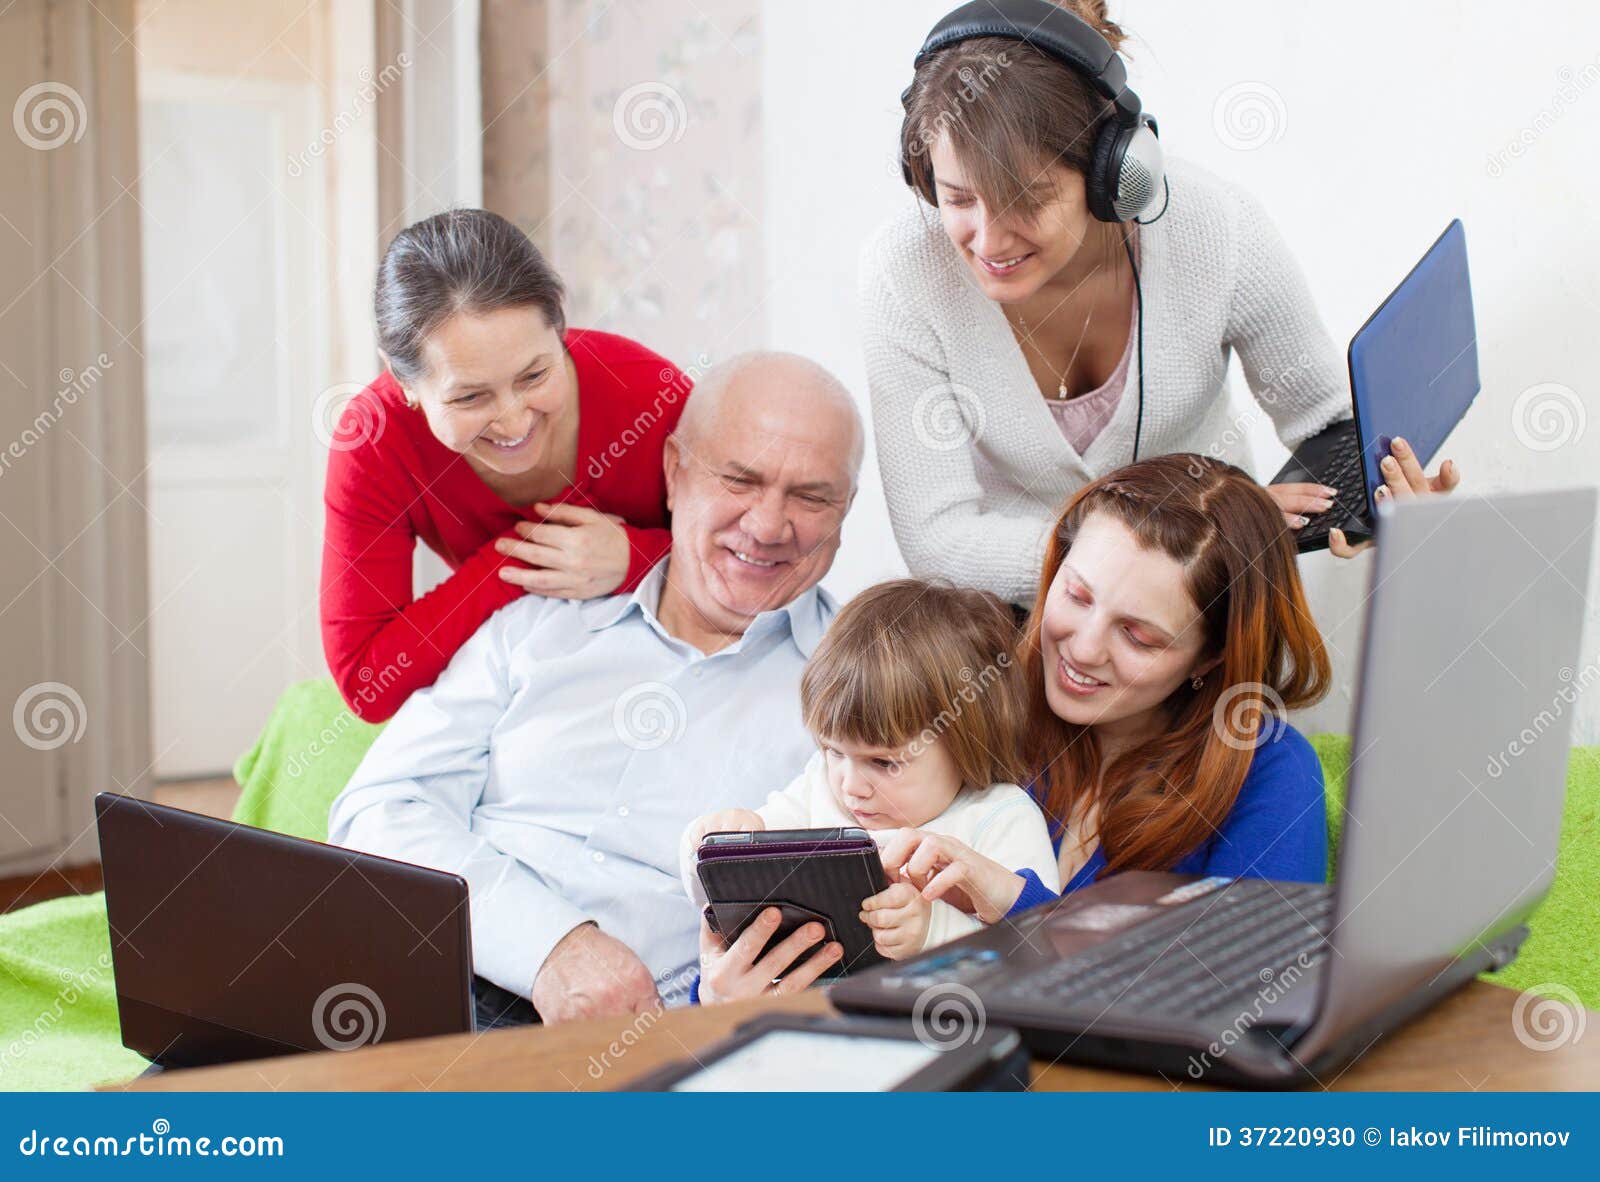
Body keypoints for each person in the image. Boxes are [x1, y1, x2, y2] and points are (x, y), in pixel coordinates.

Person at [326, 352, 863, 1027]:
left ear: (846, 510)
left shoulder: (867, 694)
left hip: (614, 1050)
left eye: (811, 496)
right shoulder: (540, 621)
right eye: (739, 479)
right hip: (418, 966)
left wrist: (723, 1007)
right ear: (674, 471)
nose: (766, 526)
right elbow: (378, 808)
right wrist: (550, 947)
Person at [861, 0, 1458, 604]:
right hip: (1020, 615)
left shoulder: (1215, 228)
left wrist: (1366, 499)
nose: (987, 241)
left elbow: (1328, 421)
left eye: (1026, 200)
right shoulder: (905, 271)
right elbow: (938, 539)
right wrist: (1175, 545)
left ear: (1112, 172)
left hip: (1206, 599)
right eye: (959, 199)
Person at [877, 455, 1340, 924]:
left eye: (1138, 636)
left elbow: (1240, 983)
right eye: (1077, 596)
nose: (1084, 648)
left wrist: (1014, 902)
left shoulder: (1269, 770)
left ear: (1212, 655)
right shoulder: (974, 702)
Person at [320, 209, 693, 722]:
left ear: (559, 326)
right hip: (518, 679)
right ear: (404, 382)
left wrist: (639, 558)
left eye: (536, 374)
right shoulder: (375, 439)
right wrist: (519, 564)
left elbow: (760, 567)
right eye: (470, 397)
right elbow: (368, 682)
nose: (514, 420)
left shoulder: (651, 394)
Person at [679, 580, 1058, 992]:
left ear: (968, 743)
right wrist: (713, 841)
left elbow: (1044, 953)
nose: (851, 785)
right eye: (833, 751)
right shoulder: (818, 790)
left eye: (883, 762)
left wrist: (933, 932)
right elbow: (717, 889)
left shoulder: (1000, 818)